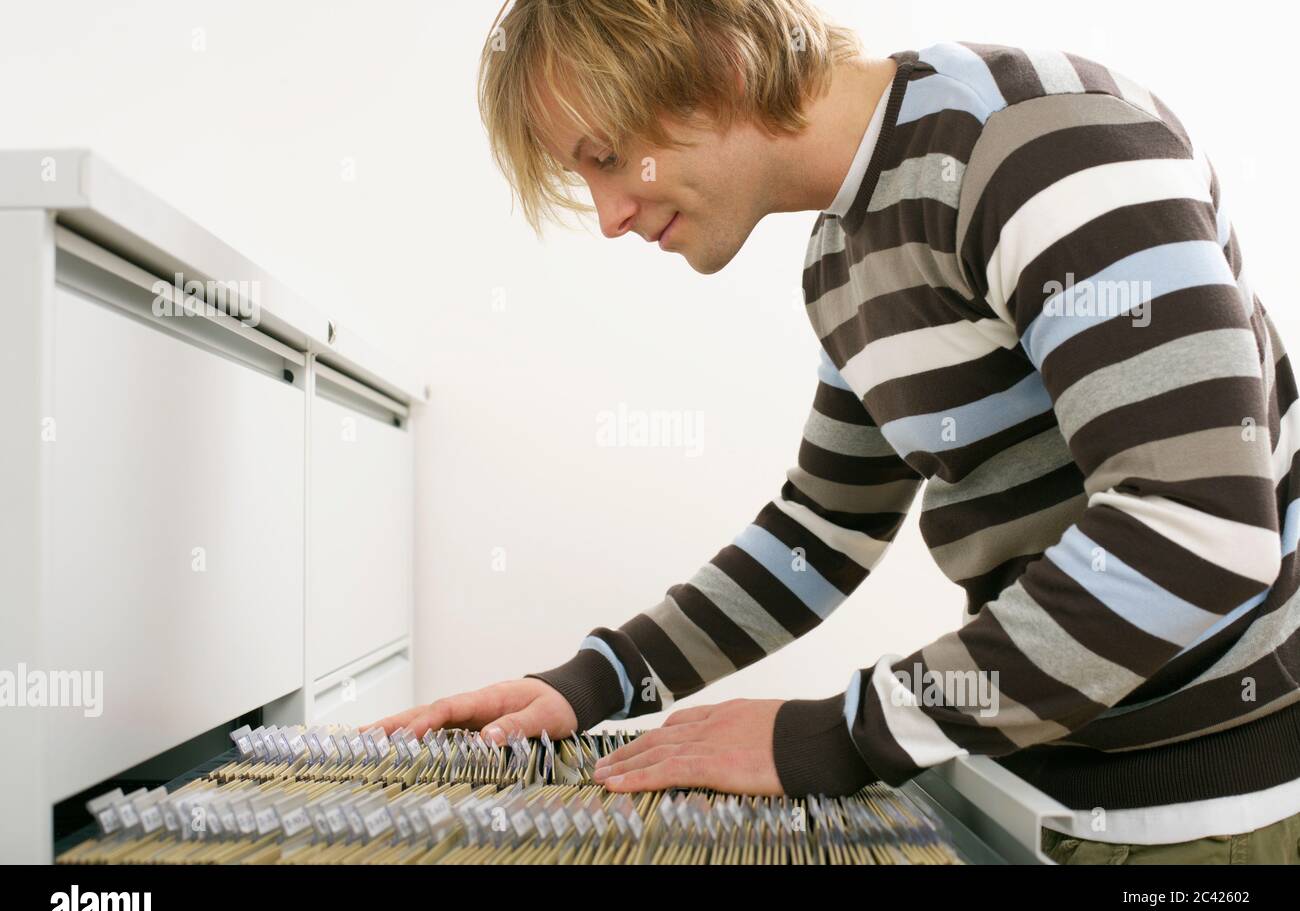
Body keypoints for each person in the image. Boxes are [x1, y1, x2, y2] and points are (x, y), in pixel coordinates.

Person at [369, 0, 1300, 864]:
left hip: (1228, 816)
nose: (610, 216)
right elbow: (822, 531)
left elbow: (1198, 534)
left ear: (722, 60)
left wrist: (839, 733)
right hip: (1049, 789)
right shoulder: (841, 257)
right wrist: (595, 681)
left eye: (607, 156)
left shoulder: (1041, 144)